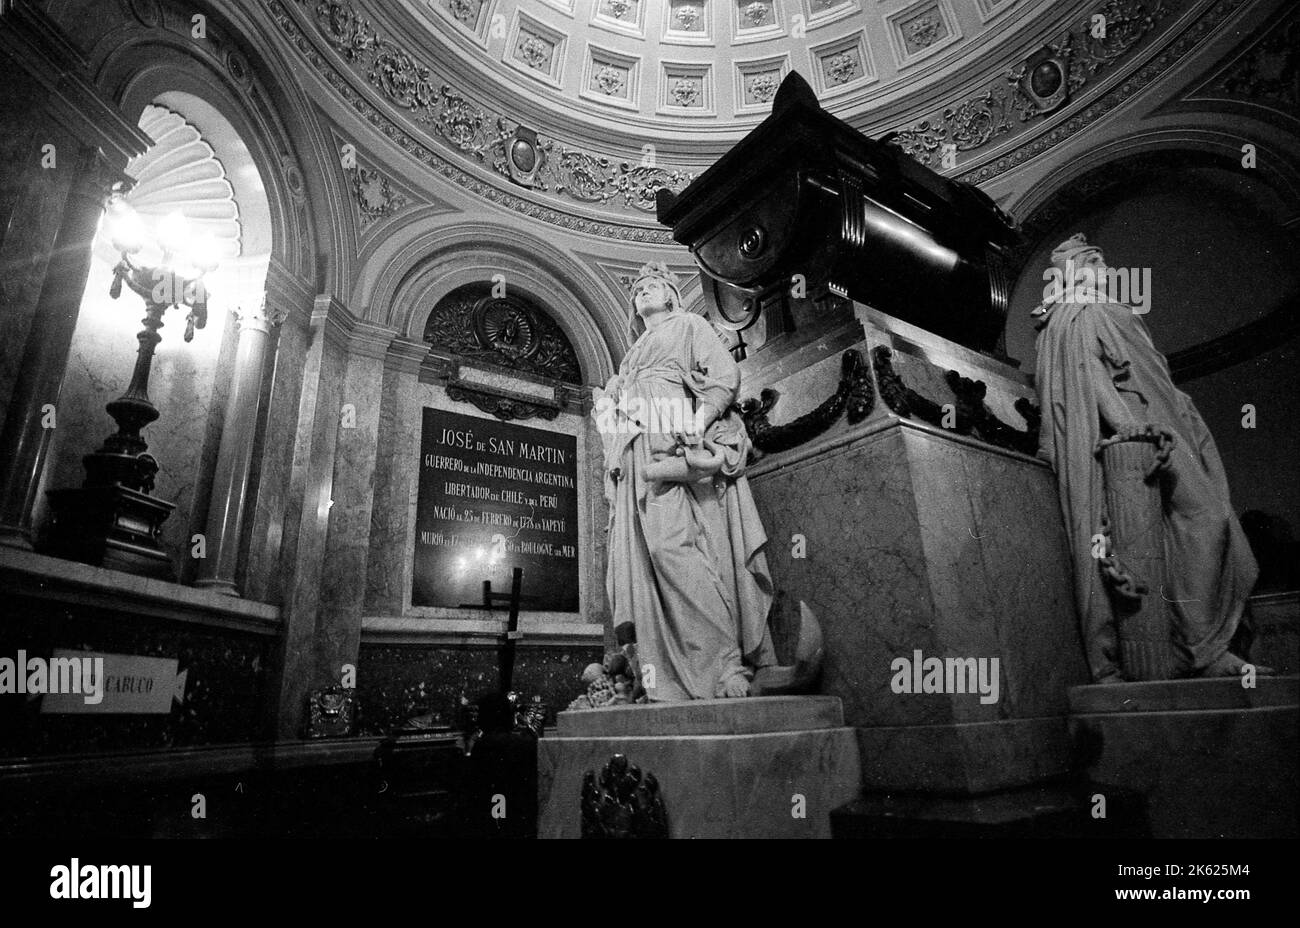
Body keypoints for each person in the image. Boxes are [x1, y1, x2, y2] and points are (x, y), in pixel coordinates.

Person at [1033, 234, 1263, 681]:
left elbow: (1146, 373)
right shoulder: (1080, 311)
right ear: (1071, 270)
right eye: (1090, 259)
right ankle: (1201, 647)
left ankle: (1197, 645)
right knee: (1205, 517)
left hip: (1167, 429)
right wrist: (1127, 426)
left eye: (1100, 258)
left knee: (1201, 521)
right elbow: (1089, 376)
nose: (1100, 264)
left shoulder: (1098, 307)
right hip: (1143, 438)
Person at [593, 262, 778, 700]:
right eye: (637, 289)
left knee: (676, 548)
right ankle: (662, 675)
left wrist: (698, 420)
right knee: (647, 558)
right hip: (635, 448)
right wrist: (609, 408)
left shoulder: (690, 325)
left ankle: (724, 662)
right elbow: (613, 413)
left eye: (653, 285)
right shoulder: (631, 354)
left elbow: (723, 378)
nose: (643, 292)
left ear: (672, 295)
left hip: (671, 437)